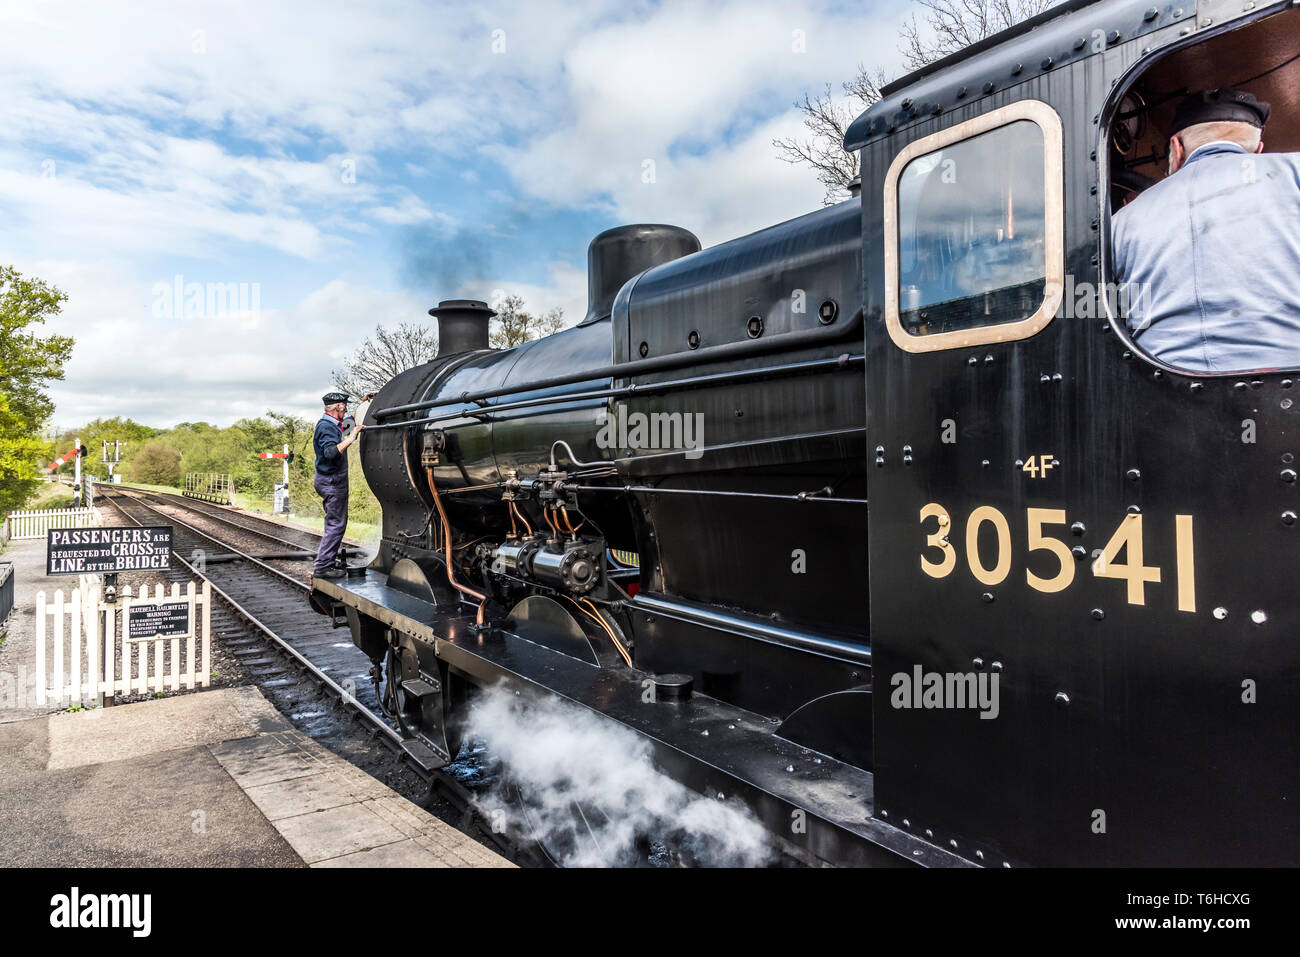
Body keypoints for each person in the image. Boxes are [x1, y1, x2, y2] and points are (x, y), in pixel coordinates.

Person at [1111, 88, 1300, 373]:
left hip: (1161, 388)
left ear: (1176, 148)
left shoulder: (1121, 221)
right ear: (1259, 150)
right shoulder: (1293, 171)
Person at [312, 391, 364, 579]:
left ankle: (327, 561)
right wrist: (351, 438)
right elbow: (331, 453)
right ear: (337, 408)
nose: (346, 409)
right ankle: (323, 566)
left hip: (328, 480)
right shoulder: (326, 427)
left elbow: (349, 422)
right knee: (336, 524)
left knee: (335, 523)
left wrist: (363, 405)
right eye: (345, 406)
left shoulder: (333, 424)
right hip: (332, 482)